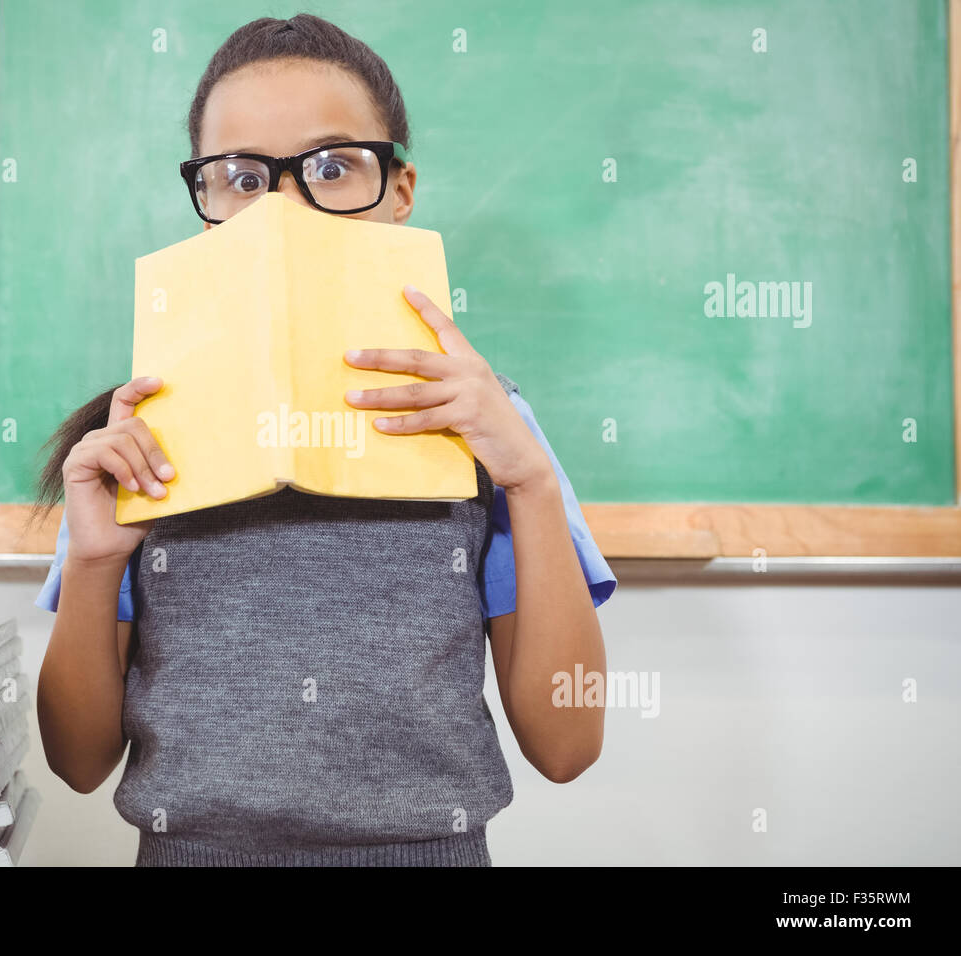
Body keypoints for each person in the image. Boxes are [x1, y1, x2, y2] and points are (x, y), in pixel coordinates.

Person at [33, 13, 616, 866]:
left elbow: (567, 746)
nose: (286, 209)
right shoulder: (142, 435)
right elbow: (76, 762)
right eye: (242, 177)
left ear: (401, 191)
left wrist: (528, 481)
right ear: (205, 206)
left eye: (333, 167)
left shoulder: (489, 427)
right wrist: (92, 564)